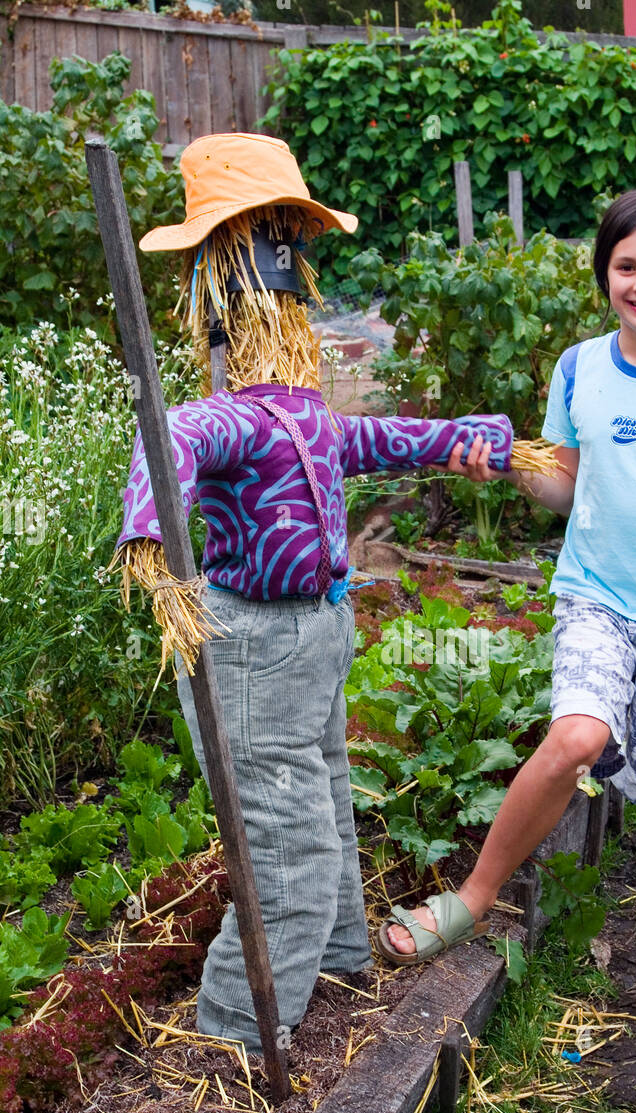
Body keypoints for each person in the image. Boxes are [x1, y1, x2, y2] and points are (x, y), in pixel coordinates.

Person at [114, 132, 517, 1052]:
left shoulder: (300, 412)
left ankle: (334, 959)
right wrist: (148, 543)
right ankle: (235, 1032)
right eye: (275, 247)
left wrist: (476, 441)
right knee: (287, 848)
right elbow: (166, 445)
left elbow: (377, 441)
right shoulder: (220, 417)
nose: (287, 278)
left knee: (327, 800)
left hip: (318, 630)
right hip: (252, 645)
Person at [381, 187, 636, 1056]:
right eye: (625, 266)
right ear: (604, 274)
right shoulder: (577, 368)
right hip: (595, 600)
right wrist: (507, 469)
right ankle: (476, 898)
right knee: (572, 738)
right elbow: (563, 489)